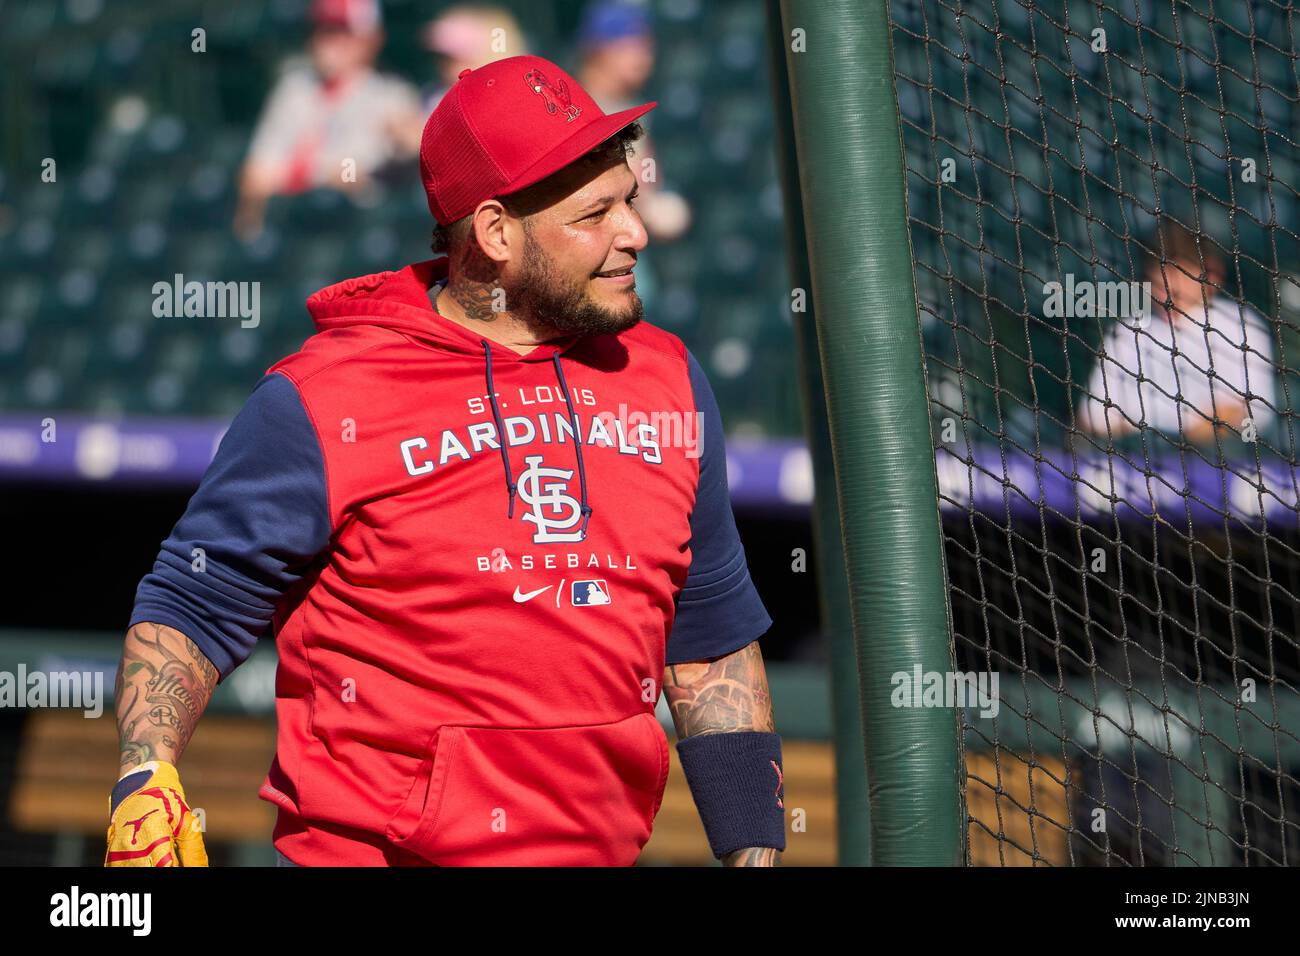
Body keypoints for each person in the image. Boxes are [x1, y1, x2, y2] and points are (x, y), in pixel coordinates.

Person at [106, 55, 784, 868]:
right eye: (594, 214)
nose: (633, 232)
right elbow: (193, 601)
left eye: (629, 201)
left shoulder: (669, 379)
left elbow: (708, 638)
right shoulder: (327, 394)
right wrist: (145, 777)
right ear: (496, 233)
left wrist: (754, 850)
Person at [1076, 219, 1276, 448]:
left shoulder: (1239, 326)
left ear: (1212, 275)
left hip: (1219, 460)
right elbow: (1093, 417)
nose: (1167, 282)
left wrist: (1210, 427)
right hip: (1138, 457)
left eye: (1179, 270)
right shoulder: (1128, 331)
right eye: (1160, 270)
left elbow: (1252, 413)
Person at [233, 0, 423, 240]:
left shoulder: (391, 94)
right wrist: (322, 173)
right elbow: (255, 176)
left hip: (357, 228)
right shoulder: (294, 88)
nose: (328, 42)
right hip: (292, 224)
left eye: (342, 32)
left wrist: (294, 173)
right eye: (322, 30)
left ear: (371, 40)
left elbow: (355, 178)